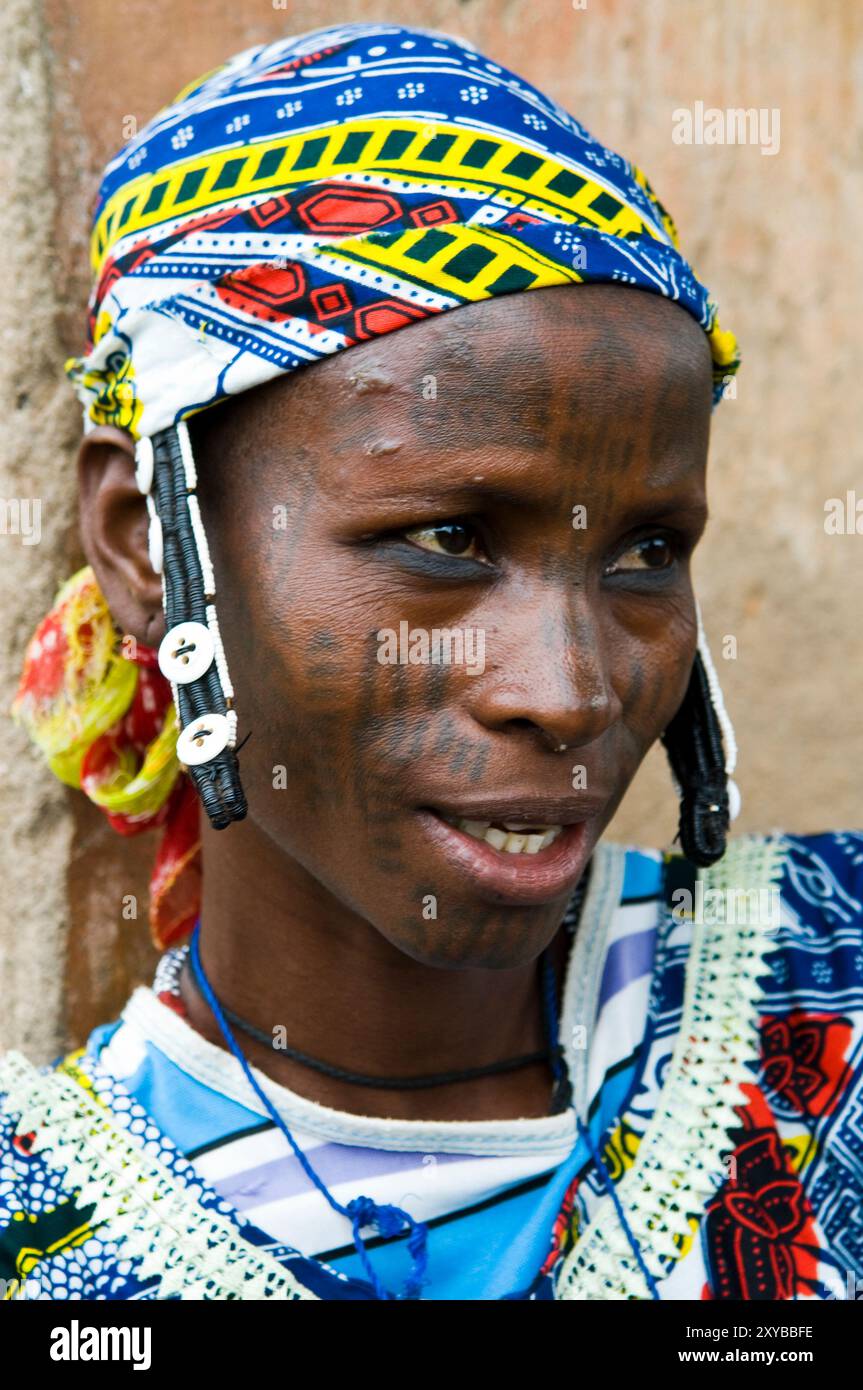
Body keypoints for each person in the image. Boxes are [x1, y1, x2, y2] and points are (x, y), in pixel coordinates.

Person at [1, 21, 860, 1303]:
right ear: (146, 542)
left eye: (641, 553)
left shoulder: (826, 987)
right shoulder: (43, 1236)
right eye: (447, 539)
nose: (566, 692)